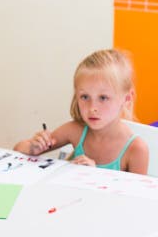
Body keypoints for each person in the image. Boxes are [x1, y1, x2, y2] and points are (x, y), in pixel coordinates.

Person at [14, 49, 149, 174]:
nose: (92, 107)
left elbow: (136, 192)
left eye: (103, 98)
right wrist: (32, 148)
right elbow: (17, 151)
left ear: (127, 98)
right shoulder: (74, 131)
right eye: (85, 97)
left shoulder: (136, 149)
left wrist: (95, 176)